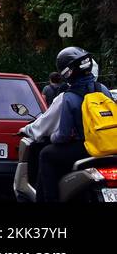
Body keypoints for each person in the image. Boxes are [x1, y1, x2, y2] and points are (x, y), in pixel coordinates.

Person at [36, 46, 111, 202]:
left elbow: (63, 135)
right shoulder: (103, 89)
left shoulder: (69, 97)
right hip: (110, 145)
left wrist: (52, 138)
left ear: (67, 72)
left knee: (46, 154)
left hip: (86, 148)